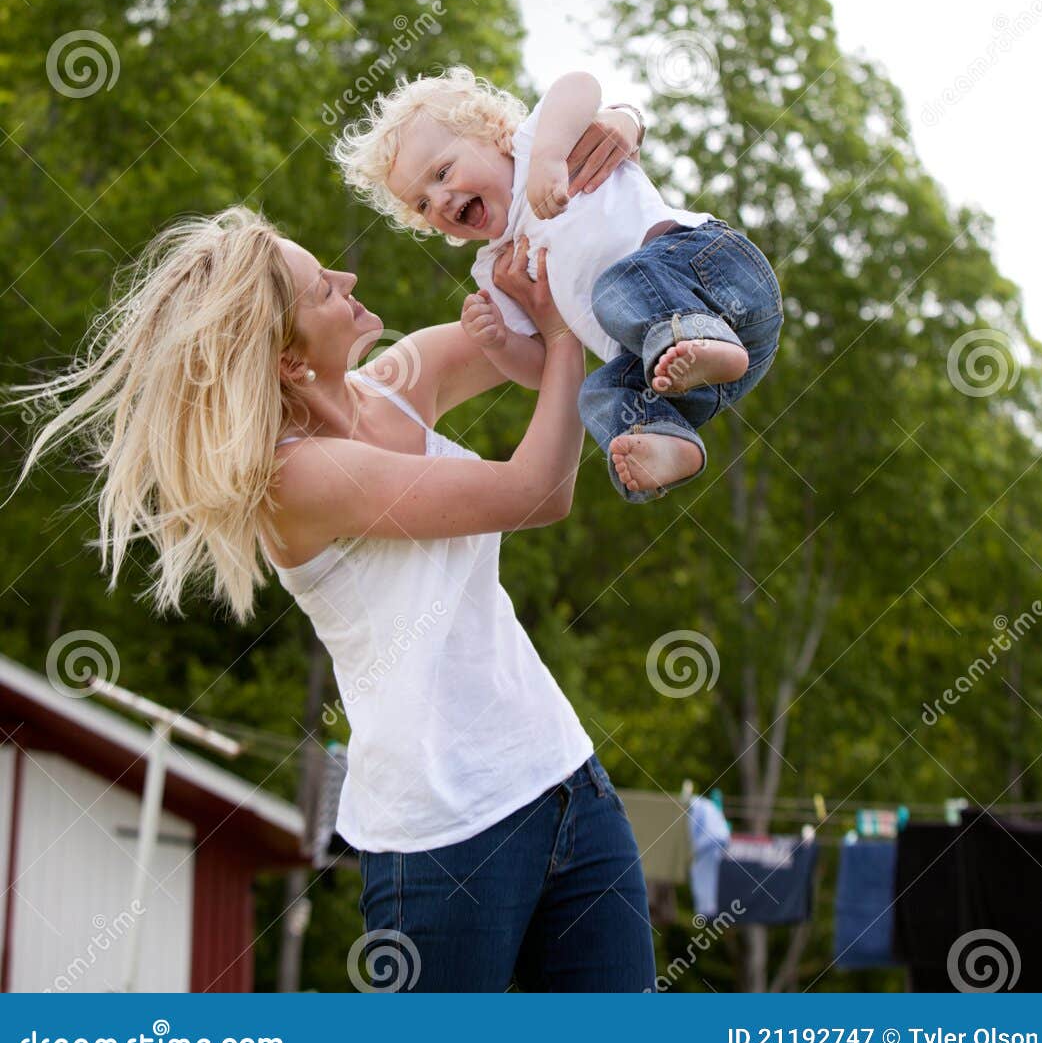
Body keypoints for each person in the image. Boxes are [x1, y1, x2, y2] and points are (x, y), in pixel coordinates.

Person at [10, 204, 657, 993]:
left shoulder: (401, 381)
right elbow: (535, 492)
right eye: (323, 288)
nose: (348, 280)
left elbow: (562, 304)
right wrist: (555, 343)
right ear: (287, 360)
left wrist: (565, 189)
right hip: (443, 838)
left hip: (565, 778)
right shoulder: (298, 480)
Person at [334, 66, 784, 502]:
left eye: (443, 173)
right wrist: (498, 342)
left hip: (713, 272)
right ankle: (667, 440)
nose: (440, 200)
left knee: (616, 288)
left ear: (494, 134)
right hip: (690, 372)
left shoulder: (537, 150)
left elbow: (579, 85)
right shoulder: (496, 268)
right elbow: (540, 368)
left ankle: (699, 336)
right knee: (598, 394)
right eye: (422, 202)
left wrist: (550, 155)